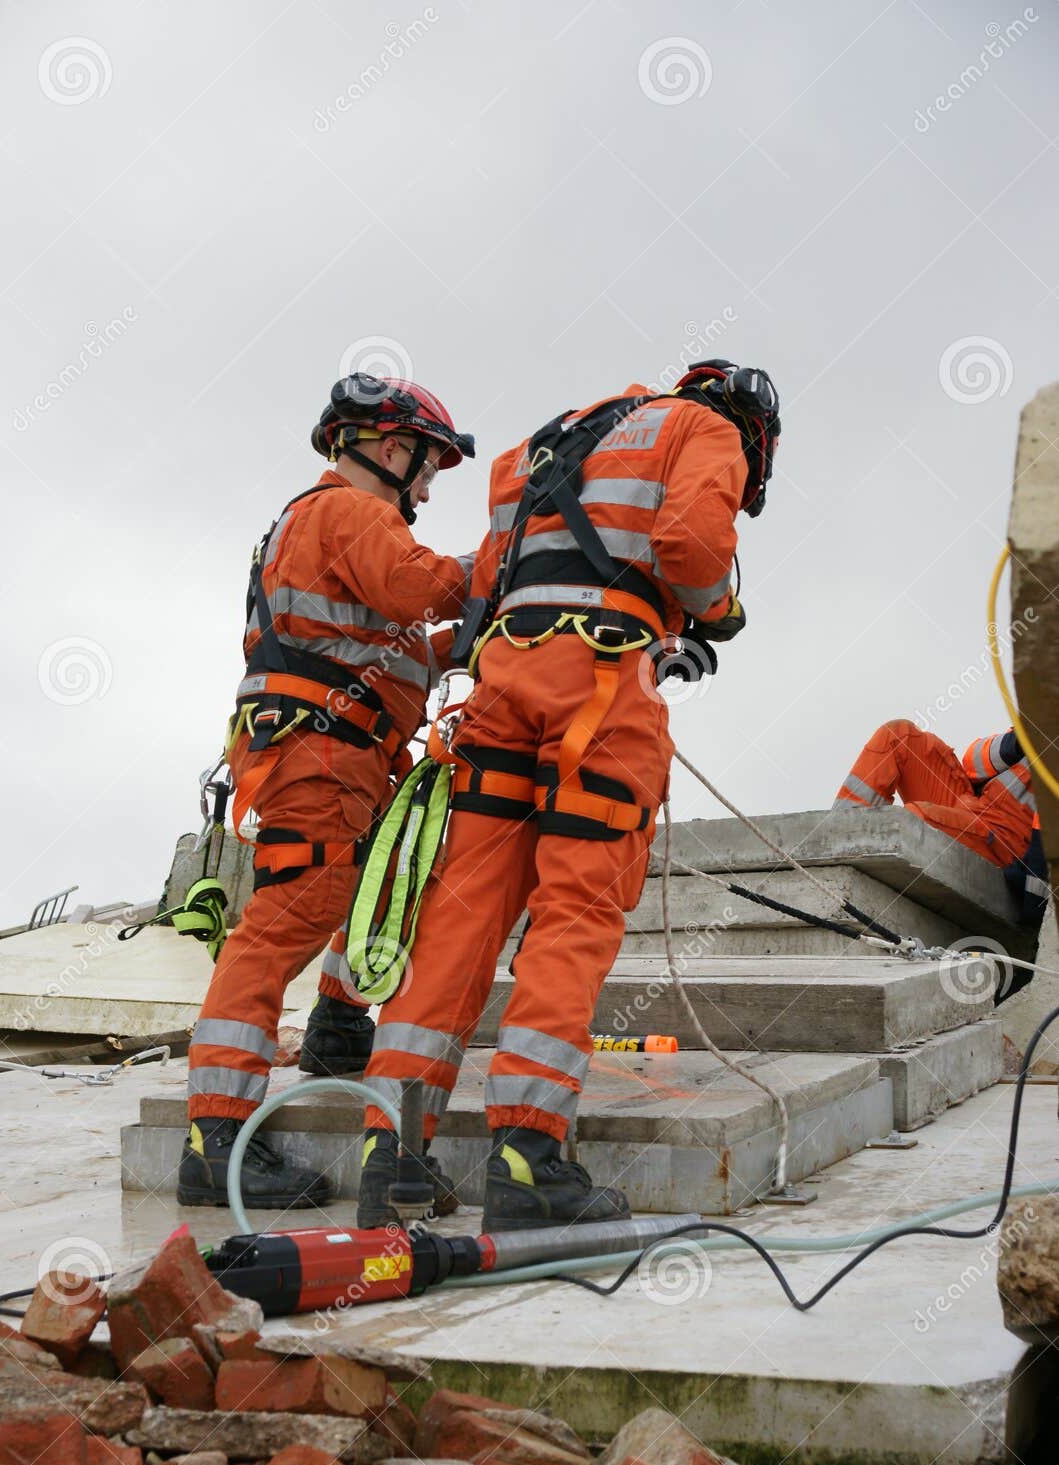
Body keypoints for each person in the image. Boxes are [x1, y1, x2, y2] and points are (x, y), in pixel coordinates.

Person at [352, 359, 780, 1231]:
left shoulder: (539, 446)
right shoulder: (708, 430)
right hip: (598, 685)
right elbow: (692, 551)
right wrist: (719, 610)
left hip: (501, 684)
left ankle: (389, 1157)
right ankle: (526, 1159)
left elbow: (487, 580)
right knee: (575, 912)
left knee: (456, 918)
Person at [178, 372, 475, 1209]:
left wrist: (471, 640)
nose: (425, 486)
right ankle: (215, 1139)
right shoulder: (349, 512)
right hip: (320, 750)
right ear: (388, 447)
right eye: (426, 468)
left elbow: (396, 638)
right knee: (284, 922)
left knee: (369, 887)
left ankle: (339, 1031)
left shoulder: (319, 523)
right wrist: (515, 557)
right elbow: (421, 588)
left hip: (338, 748)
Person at [834, 720, 1038, 872]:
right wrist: (1017, 741)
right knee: (897, 735)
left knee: (911, 821)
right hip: (970, 805)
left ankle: (862, 852)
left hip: (1002, 843)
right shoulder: (1043, 726)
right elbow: (972, 764)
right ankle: (839, 833)